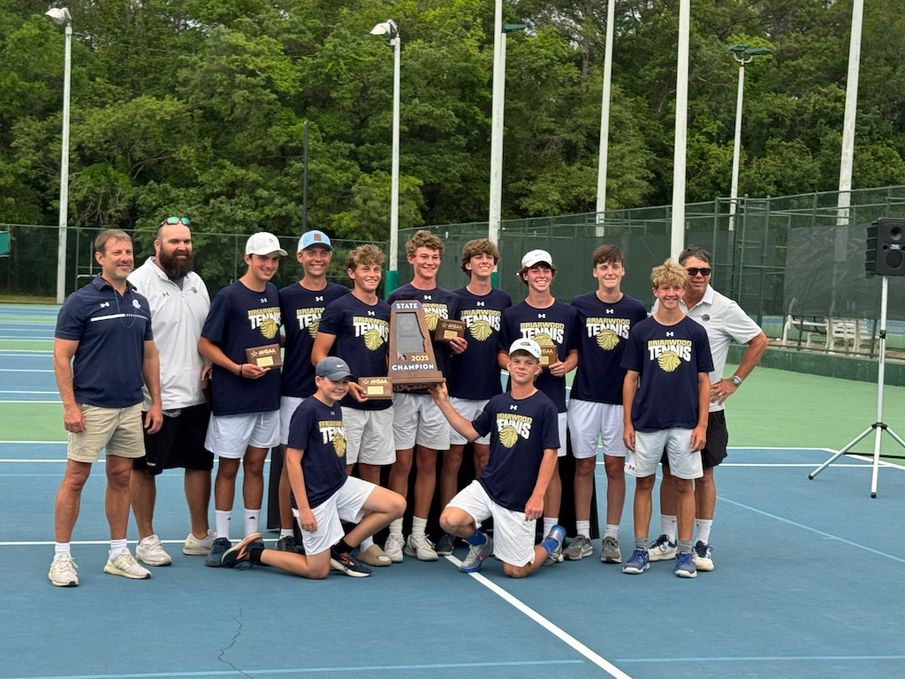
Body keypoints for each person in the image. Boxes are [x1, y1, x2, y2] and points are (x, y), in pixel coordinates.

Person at [220, 358, 406, 578]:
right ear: (318, 380)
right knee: (317, 571)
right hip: (315, 496)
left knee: (395, 504)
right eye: (335, 381)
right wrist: (305, 509)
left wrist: (353, 388)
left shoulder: (335, 405)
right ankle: (253, 553)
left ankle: (341, 551)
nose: (340, 386)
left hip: (339, 486)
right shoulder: (307, 410)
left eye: (345, 382)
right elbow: (292, 461)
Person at [49, 229, 163, 586]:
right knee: (76, 479)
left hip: (130, 406)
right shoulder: (80, 301)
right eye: (117, 252)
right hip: (91, 406)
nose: (125, 258)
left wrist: (155, 401)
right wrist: (70, 406)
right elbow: (61, 356)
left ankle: (118, 553)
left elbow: (149, 355)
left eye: (129, 252)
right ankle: (62, 558)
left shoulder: (139, 301)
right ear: (100, 258)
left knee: (121, 477)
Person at [649, 246, 768, 571]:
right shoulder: (665, 303)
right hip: (668, 410)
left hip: (708, 410)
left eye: (705, 270)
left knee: (703, 476)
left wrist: (734, 381)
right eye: (693, 270)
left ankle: (701, 543)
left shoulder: (724, 307)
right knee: (670, 474)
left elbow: (759, 340)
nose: (698, 276)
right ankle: (668, 538)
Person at [432, 339, 566, 578]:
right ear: (509, 366)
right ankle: (482, 543)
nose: (521, 366)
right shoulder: (498, 402)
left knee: (515, 571)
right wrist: (443, 403)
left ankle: (550, 543)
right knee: (449, 520)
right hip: (489, 486)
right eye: (516, 361)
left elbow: (550, 453)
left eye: (528, 363)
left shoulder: (544, 406)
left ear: (537, 369)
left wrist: (537, 496)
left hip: (519, 496)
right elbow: (472, 432)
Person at [128, 216, 214, 566]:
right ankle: (146, 538)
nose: (182, 248)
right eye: (175, 242)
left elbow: (205, 334)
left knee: (199, 465)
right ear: (157, 246)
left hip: (197, 397)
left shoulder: (196, 282)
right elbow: (132, 345)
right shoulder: (138, 283)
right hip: (153, 401)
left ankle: (200, 535)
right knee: (144, 470)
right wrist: (149, 398)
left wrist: (209, 360)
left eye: (187, 242)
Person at [620, 260, 713, 578]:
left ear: (683, 290)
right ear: (655, 291)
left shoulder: (696, 332)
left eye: (676, 288)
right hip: (647, 421)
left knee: (684, 485)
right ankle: (640, 549)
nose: (671, 293)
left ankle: (685, 553)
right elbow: (631, 379)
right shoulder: (642, 331)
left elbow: (704, 381)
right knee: (644, 483)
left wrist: (702, 424)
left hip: (685, 423)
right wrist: (627, 423)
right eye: (665, 288)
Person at [198, 231, 286, 566]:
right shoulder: (229, 296)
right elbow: (205, 344)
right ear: (248, 259)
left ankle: (251, 536)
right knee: (229, 467)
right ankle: (221, 537)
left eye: (274, 259)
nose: (269, 265)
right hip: (234, 396)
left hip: (266, 396)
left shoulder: (274, 293)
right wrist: (236, 368)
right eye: (263, 258)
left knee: (255, 466)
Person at [383, 230, 466, 562]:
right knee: (402, 463)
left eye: (434, 257)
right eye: (423, 256)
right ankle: (394, 534)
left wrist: (457, 346)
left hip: (436, 393)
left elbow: (453, 339)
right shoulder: (397, 297)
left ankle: (419, 534)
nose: (429, 262)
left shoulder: (451, 299)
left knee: (429, 462)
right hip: (404, 393)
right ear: (411, 259)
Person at [312, 244, 395, 567]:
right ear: (352, 273)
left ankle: (366, 542)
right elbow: (318, 355)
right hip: (347, 404)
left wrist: (400, 374)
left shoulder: (388, 309)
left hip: (381, 404)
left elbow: (393, 356)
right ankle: (334, 540)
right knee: (342, 470)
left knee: (372, 471)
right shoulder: (339, 307)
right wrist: (346, 383)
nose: (372, 275)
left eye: (376, 270)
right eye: (365, 269)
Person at [565, 245, 647, 563]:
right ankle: (583, 535)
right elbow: (572, 349)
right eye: (603, 266)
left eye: (615, 266)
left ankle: (611, 536)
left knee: (615, 467)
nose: (609, 272)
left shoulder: (636, 309)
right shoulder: (580, 306)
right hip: (584, 398)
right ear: (595, 272)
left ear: (623, 270)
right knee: (583, 465)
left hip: (619, 401)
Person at [499, 249, 578, 563]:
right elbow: (501, 353)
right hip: (516, 402)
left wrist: (566, 366)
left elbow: (574, 352)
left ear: (552, 274)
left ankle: (551, 533)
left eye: (546, 270)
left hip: (553, 401)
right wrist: (516, 368)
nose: (541, 275)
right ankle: (515, 527)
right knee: (516, 463)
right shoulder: (512, 315)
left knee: (552, 467)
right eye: (535, 271)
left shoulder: (568, 313)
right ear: (525, 276)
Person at [436, 239, 512, 556]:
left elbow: (505, 347)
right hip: (458, 391)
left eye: (488, 257)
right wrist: (450, 343)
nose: (484, 261)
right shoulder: (455, 299)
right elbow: (443, 338)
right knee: (452, 460)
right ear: (467, 264)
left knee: (485, 461)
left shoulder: (503, 299)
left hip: (491, 393)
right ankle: (446, 528)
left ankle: (479, 523)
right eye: (477, 257)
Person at [275, 230, 348, 553]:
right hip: (295, 388)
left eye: (323, 252)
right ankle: (285, 530)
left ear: (330, 257)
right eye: (311, 252)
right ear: (300, 256)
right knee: (289, 461)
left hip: (335, 392)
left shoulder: (343, 295)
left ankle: (333, 527)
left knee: (335, 458)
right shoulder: (285, 295)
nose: (318, 258)